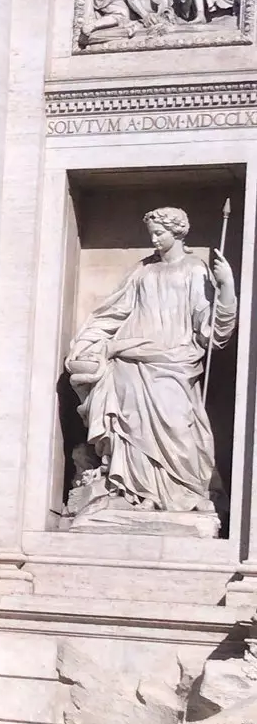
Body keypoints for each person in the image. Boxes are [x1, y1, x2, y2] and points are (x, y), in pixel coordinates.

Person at [65, 207, 236, 521]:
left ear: (178, 231)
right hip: (130, 359)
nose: (155, 240)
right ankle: (139, 492)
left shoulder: (195, 270)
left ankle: (183, 492)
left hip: (175, 360)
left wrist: (226, 287)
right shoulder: (142, 271)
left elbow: (213, 332)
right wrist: (88, 343)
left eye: (160, 233)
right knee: (131, 426)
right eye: (152, 234)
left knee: (178, 426)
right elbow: (113, 313)